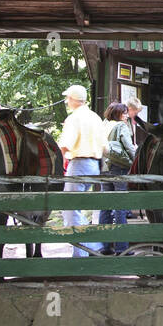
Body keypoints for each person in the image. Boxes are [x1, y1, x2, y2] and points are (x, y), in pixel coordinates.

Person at [58, 84, 106, 256]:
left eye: (67, 98)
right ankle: (87, 247)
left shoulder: (74, 119)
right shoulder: (95, 117)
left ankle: (88, 248)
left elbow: (65, 145)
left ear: (72, 99)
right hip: (94, 165)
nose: (66, 101)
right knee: (78, 207)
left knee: (70, 207)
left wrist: (64, 160)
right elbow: (105, 147)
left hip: (78, 164)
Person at [100, 102, 138, 254]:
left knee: (105, 207)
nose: (126, 116)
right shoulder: (121, 126)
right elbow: (129, 147)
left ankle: (105, 246)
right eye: (124, 113)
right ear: (118, 114)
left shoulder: (104, 125)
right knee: (120, 207)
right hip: (119, 167)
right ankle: (122, 247)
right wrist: (136, 163)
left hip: (104, 168)